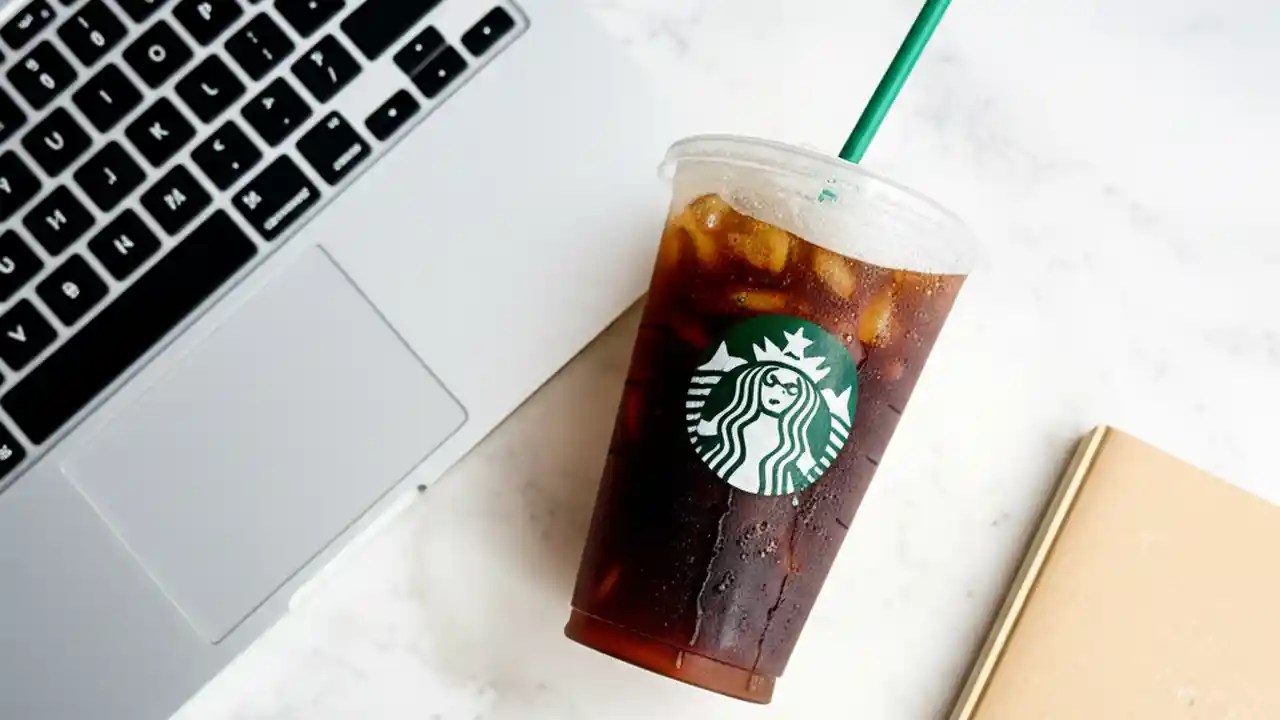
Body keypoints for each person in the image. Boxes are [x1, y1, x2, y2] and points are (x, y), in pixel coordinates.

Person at [695, 363, 820, 495]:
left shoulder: (798, 451)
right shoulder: (725, 424)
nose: (779, 390)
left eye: (791, 390)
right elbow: (703, 430)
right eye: (771, 381)